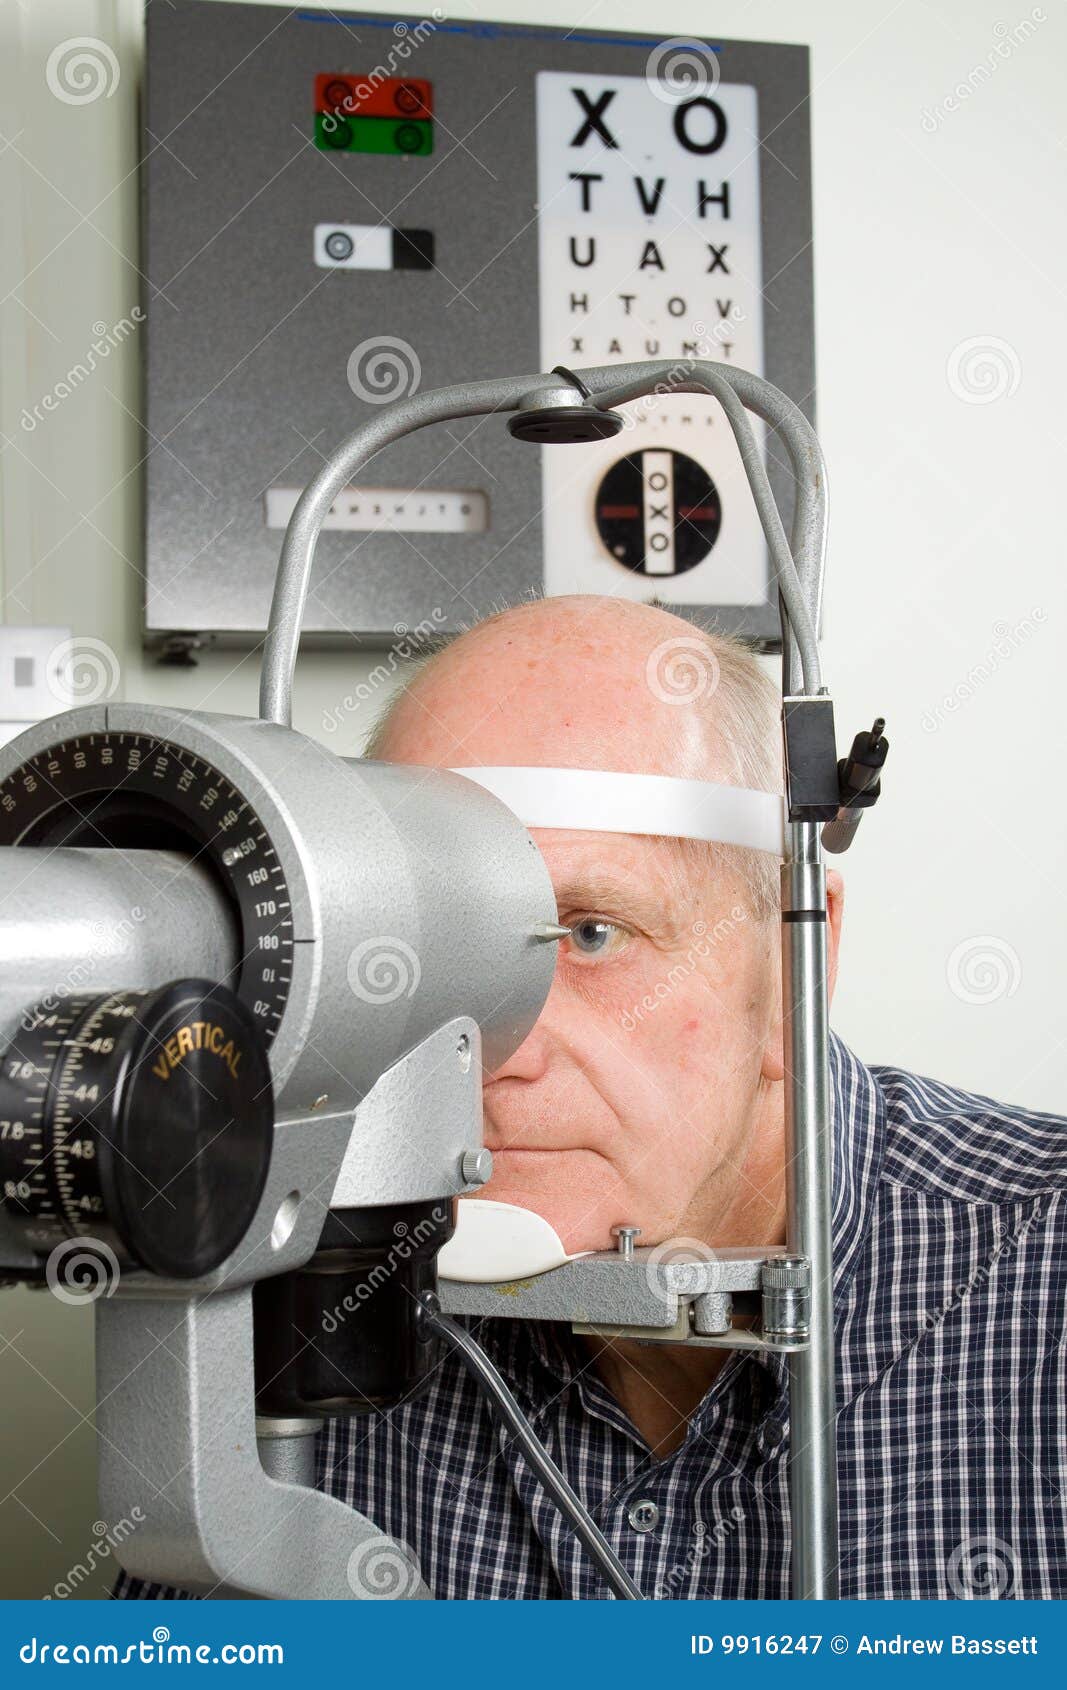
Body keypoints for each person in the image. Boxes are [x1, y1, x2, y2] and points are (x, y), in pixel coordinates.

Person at [117, 596, 1066, 1601]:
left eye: (591, 934)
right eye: (438, 939)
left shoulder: (1035, 1279)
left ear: (796, 963)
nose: (490, 1053)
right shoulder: (299, 1295)